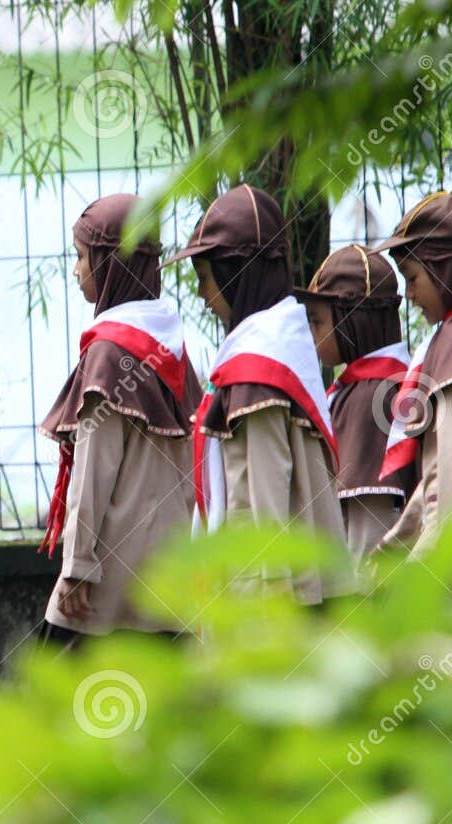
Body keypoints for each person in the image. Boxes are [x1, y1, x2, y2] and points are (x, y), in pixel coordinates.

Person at [173, 184, 350, 602]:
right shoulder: (286, 344)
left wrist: (273, 594)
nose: (202, 295)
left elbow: (270, 496)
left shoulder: (257, 369)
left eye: (205, 278)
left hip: (267, 596)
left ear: (236, 275)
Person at [39, 193, 198, 642]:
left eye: (81, 257)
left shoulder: (109, 352)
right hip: (168, 586)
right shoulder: (176, 348)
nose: (75, 271)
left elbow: (93, 469)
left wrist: (77, 565)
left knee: (57, 700)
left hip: (105, 589)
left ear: (111, 262)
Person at [296, 244, 416, 560]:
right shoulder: (387, 385)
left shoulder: (372, 397)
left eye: (317, 322)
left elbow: (369, 534)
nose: (312, 334)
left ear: (353, 320)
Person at [371, 192, 452, 556]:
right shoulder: (446, 336)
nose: (409, 294)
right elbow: (436, 482)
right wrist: (392, 550)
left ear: (445, 266)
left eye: (412, 278)